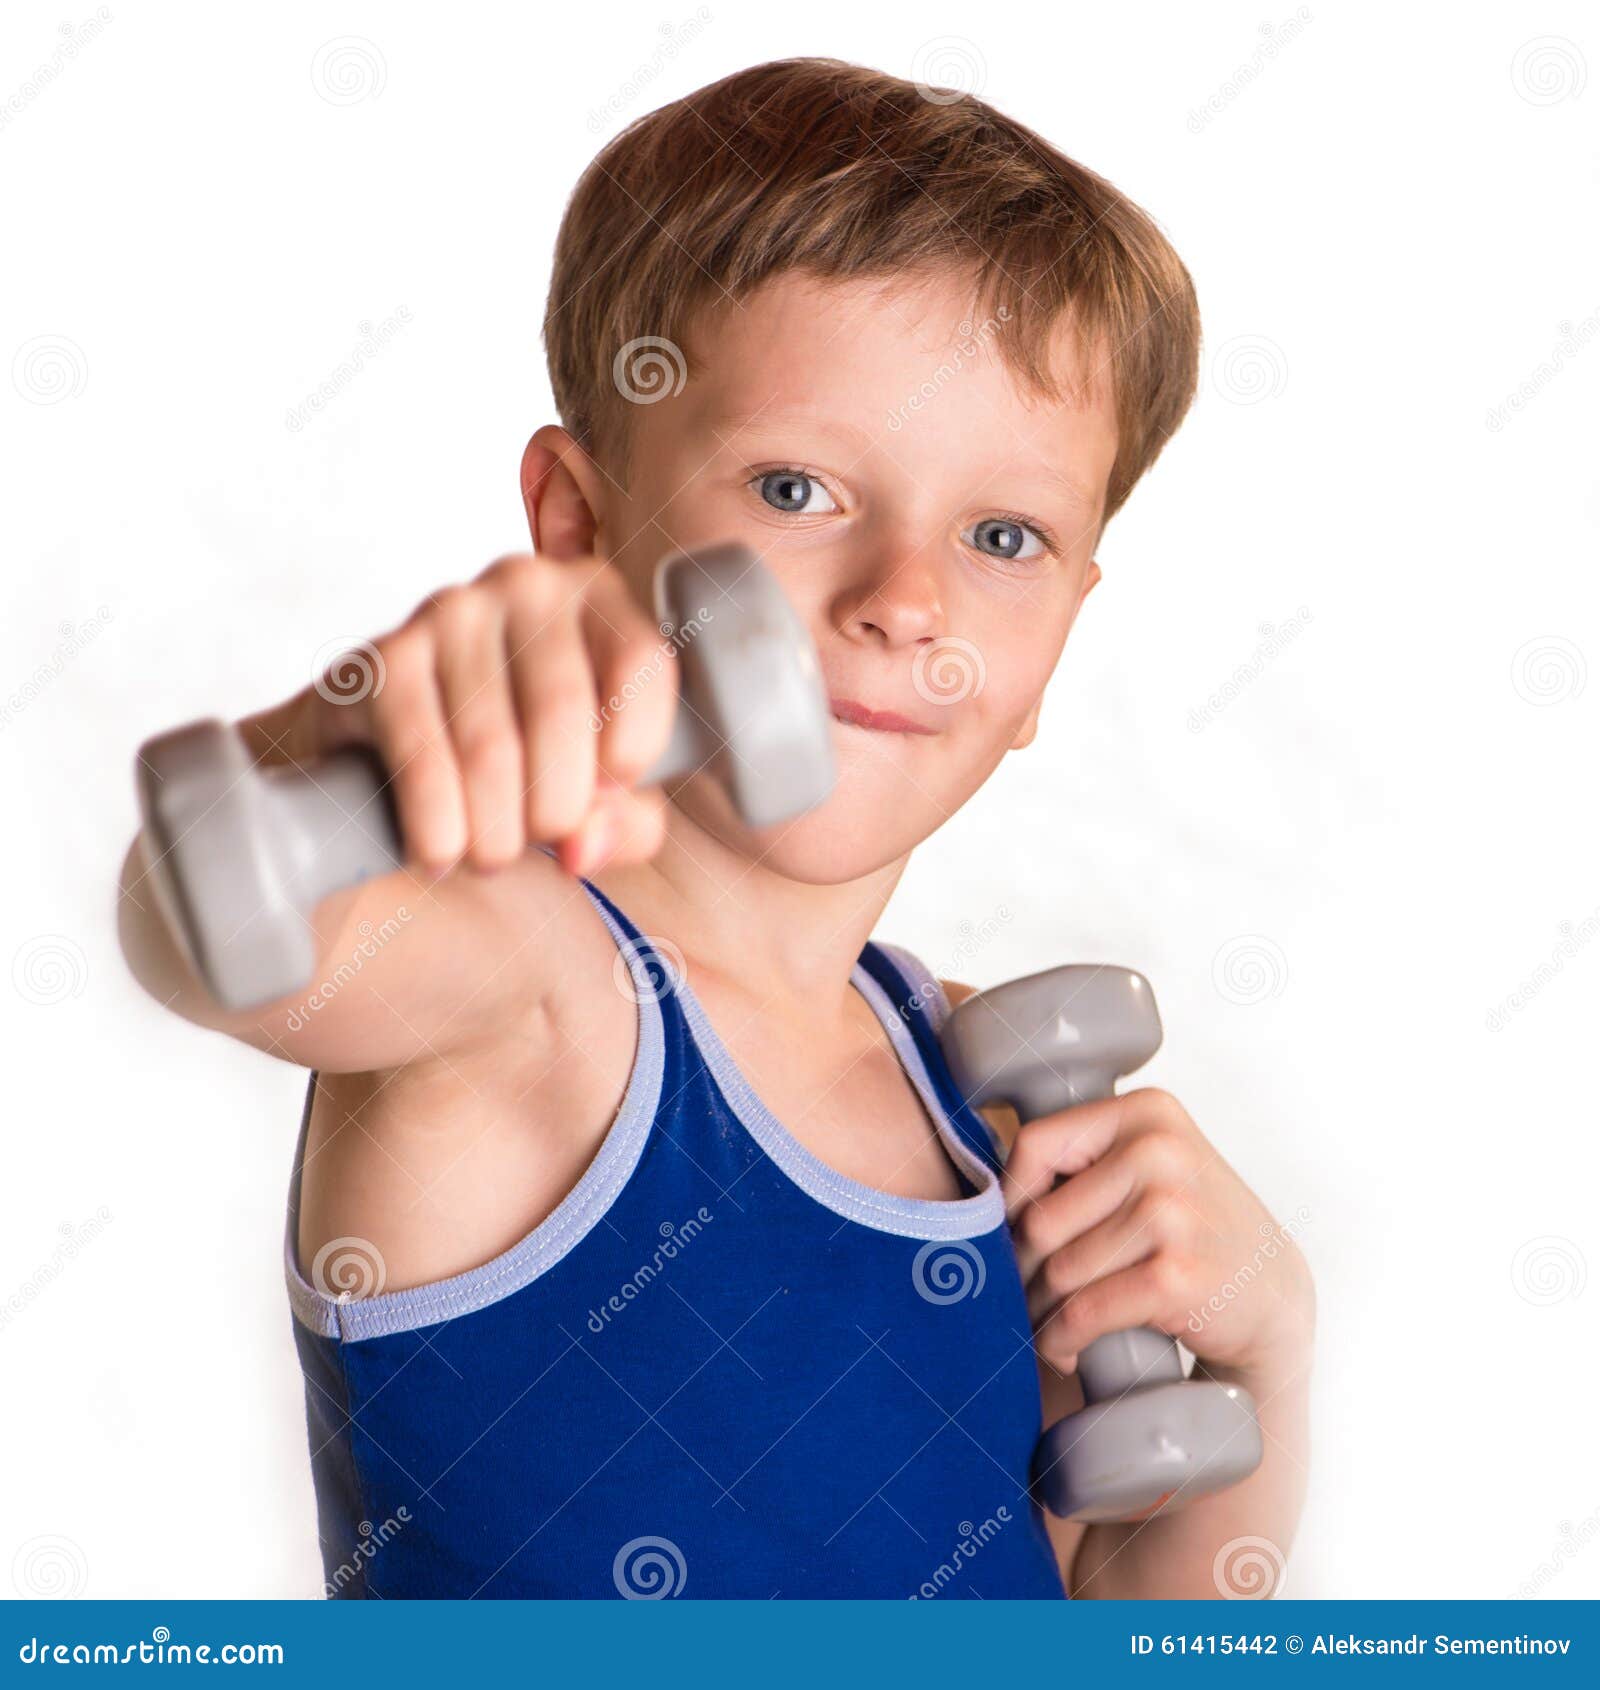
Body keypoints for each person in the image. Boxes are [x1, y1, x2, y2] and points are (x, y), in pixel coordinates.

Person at [118, 56, 1313, 1599]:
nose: (905, 599)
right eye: (800, 486)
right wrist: (359, 732)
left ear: (1059, 642)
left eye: (1003, 535)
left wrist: (1269, 1344)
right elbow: (216, 933)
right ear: (578, 526)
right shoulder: (529, 983)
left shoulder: (986, 1111)